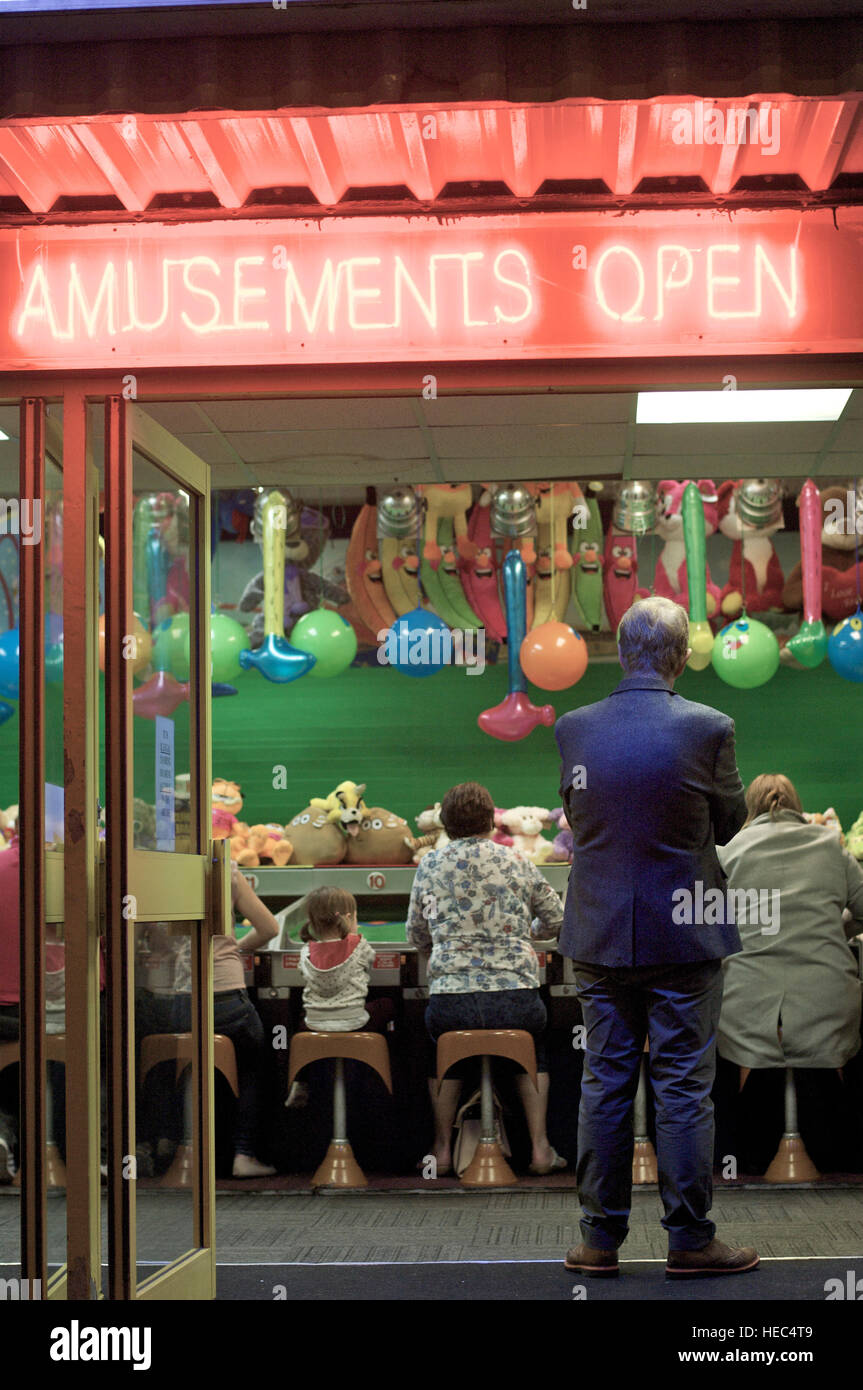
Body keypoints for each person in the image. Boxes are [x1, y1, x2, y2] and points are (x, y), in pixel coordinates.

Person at [555, 595, 758, 1278]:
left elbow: (577, 819)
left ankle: (597, 1241)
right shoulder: (707, 727)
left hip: (598, 930)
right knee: (680, 1087)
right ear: (677, 657)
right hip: (685, 937)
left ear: (620, 650)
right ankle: (689, 1242)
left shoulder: (573, 727)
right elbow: (729, 824)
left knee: (604, 1081)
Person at [406, 781, 564, 1177]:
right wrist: (525, 935)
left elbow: (417, 934)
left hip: (451, 1003)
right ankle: (541, 1149)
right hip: (516, 998)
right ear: (490, 821)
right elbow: (559, 920)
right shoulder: (518, 863)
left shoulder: (430, 864)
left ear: (446, 822)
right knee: (532, 1049)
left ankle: (441, 1150)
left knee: (445, 1053)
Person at [137, 861, 279, 1178]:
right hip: (226, 999)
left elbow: (138, 941)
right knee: (254, 1061)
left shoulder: (146, 872)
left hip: (171, 1003)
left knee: (164, 1058)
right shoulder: (222, 867)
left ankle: (170, 1143)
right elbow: (269, 928)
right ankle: (243, 1154)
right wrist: (233, 950)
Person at [717, 773, 863, 1081]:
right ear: (798, 806)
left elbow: (708, 927)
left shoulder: (727, 852)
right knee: (833, 1110)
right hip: (830, 1006)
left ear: (749, 809)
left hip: (744, 1009)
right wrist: (837, 930)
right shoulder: (832, 847)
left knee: (742, 1105)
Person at [298, 887, 393, 1034]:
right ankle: (386, 1054)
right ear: (348, 918)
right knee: (387, 1004)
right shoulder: (359, 944)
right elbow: (371, 958)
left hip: (313, 1024)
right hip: (356, 1022)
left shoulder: (306, 951)